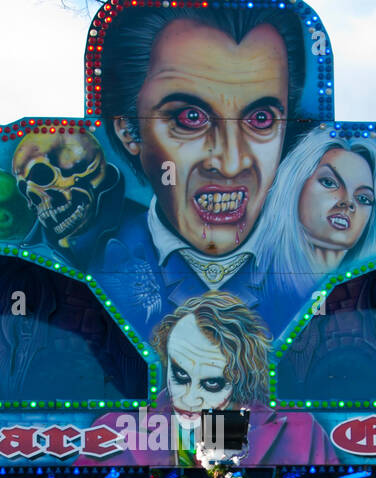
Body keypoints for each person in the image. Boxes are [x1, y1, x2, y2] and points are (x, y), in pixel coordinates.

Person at [98, 5, 308, 337]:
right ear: (129, 131)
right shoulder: (94, 268)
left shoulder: (319, 268)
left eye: (261, 120)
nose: (230, 163)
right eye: (190, 119)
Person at [80, 292, 339, 467]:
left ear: (239, 377)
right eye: (180, 375)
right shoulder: (114, 431)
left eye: (211, 383)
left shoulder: (301, 431)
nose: (190, 397)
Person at [257, 133, 376, 330]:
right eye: (329, 183)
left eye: (363, 198)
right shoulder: (257, 287)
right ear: (296, 186)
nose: (348, 203)